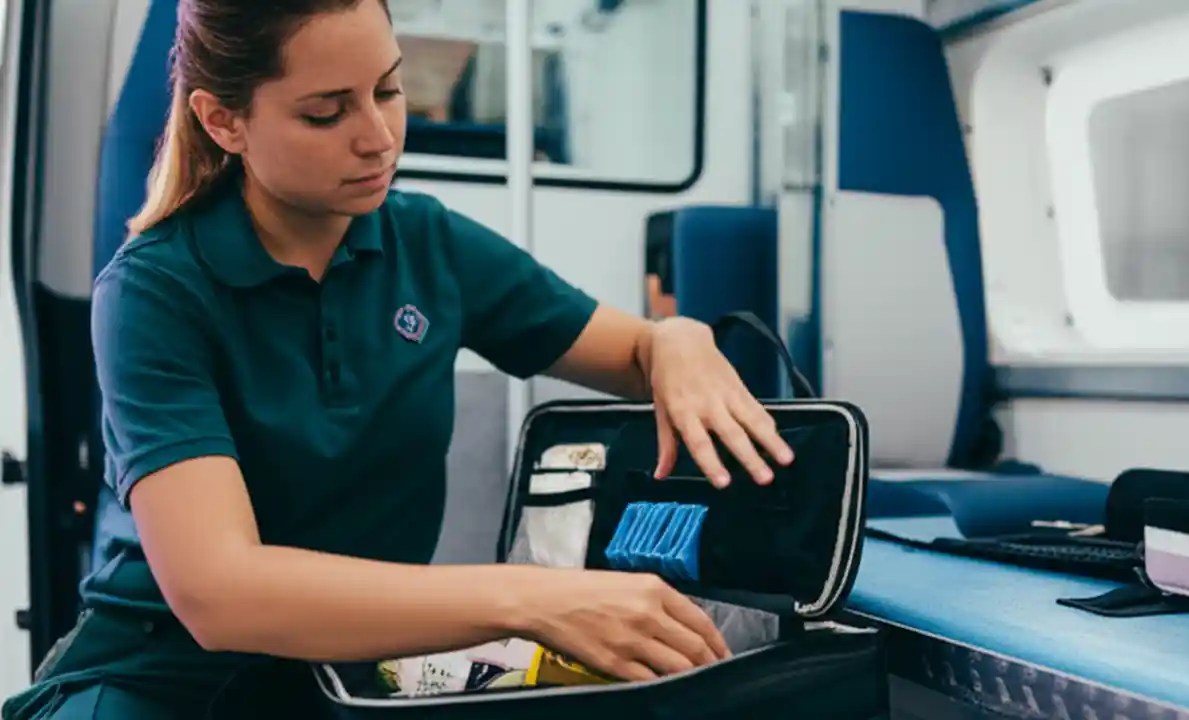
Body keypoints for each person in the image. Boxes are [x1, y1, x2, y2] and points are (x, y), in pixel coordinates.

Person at [1, 1, 794, 718]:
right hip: (158, 686)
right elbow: (219, 594)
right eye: (325, 112)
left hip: (346, 688)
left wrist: (677, 341)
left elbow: (635, 349)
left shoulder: (429, 245)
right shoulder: (156, 292)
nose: (378, 137)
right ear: (223, 121)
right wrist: (534, 599)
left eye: (387, 90)